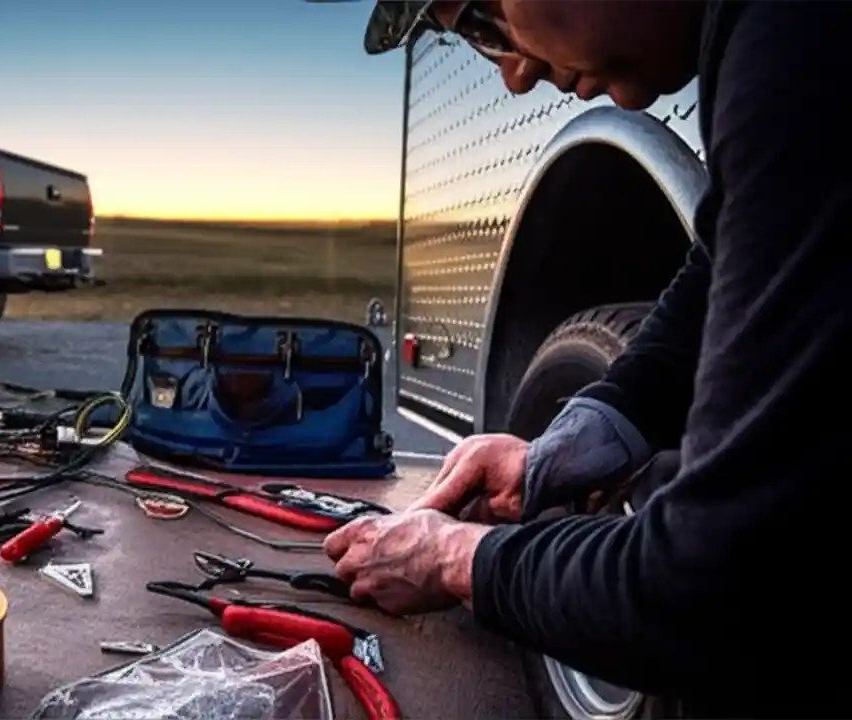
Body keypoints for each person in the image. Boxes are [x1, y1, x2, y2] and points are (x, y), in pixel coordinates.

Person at [323, 0, 851, 715]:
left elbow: (712, 587)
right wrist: (597, 422)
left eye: (484, 20)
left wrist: (455, 559)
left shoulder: (799, 40)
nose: (512, 74)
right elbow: (726, 251)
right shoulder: (769, 35)